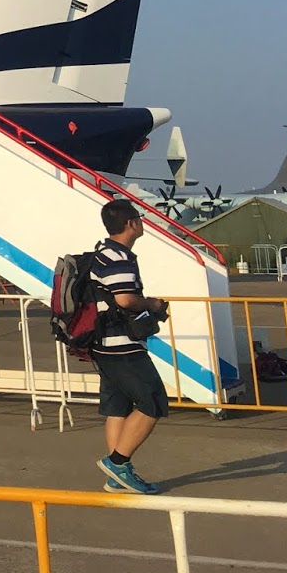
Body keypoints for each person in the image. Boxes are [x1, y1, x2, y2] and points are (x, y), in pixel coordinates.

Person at [89, 198, 171, 495]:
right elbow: (125, 299)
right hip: (122, 346)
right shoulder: (119, 257)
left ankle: (118, 477)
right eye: (139, 217)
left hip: (104, 344)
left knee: (118, 407)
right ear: (130, 223)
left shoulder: (102, 253)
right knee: (153, 402)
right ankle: (117, 463)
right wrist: (152, 304)